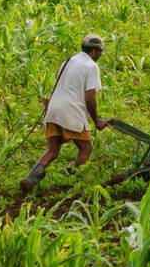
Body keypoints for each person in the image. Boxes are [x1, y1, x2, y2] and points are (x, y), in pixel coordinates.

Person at [21, 34, 109, 192]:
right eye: (100, 52)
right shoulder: (91, 66)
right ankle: (75, 185)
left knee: (53, 151)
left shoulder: (68, 61)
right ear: (95, 51)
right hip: (71, 112)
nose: (100, 55)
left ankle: (30, 179)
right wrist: (97, 120)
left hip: (54, 109)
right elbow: (90, 98)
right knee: (86, 148)